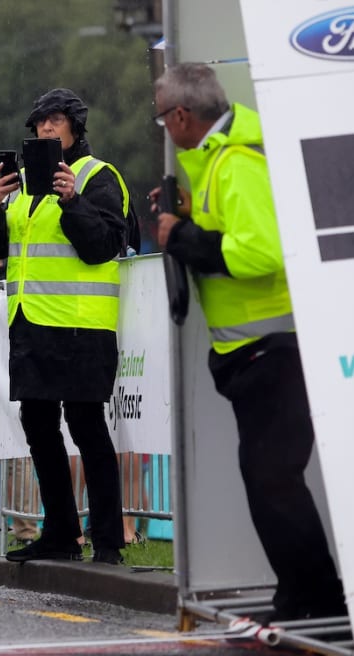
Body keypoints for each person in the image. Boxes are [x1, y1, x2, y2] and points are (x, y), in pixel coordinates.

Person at [153, 62, 347, 621]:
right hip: (261, 350)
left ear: (183, 116)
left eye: (163, 117)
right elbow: (242, 232)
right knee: (270, 481)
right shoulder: (223, 158)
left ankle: (314, 604)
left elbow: (260, 252)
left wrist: (182, 236)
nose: (165, 128)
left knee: (274, 482)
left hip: (274, 347)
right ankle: (305, 599)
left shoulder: (236, 161)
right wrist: (189, 218)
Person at [0, 88, 129, 565]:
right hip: (31, 325)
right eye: (39, 122)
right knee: (39, 427)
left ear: (75, 128)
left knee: (86, 427)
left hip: (81, 327)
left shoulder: (99, 177)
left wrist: (72, 201)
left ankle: (107, 540)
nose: (45, 129)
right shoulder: (22, 182)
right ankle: (61, 532)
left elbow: (103, 245)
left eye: (55, 121)